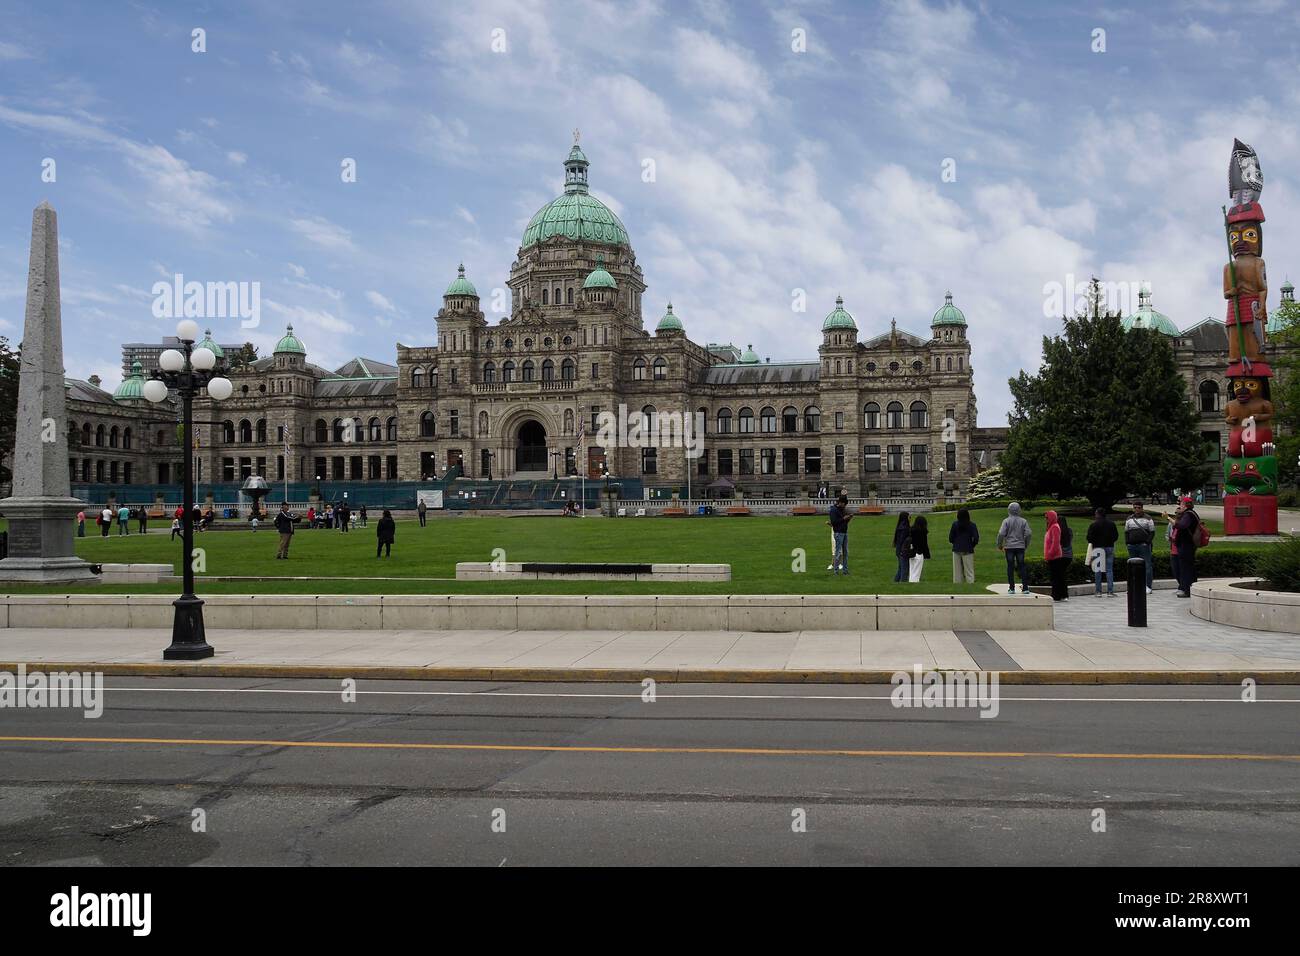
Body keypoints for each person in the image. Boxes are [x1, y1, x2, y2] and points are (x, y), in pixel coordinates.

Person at [996, 502, 1032, 594]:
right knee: (1022, 566)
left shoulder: (1006, 521)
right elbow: (1028, 533)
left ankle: (1011, 588)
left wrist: (999, 545)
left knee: (1010, 566)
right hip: (1020, 546)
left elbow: (1001, 533)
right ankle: (1025, 588)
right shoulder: (1023, 521)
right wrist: (1026, 544)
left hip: (1009, 547)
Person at [1173, 496, 1202, 598]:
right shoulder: (1192, 514)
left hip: (1186, 544)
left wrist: (1171, 520)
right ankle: (1193, 587)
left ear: (1185, 505)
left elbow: (1182, 526)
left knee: (1185, 568)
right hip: (1189, 544)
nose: (1179, 505)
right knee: (1190, 567)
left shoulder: (1188, 514)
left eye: (1181, 503)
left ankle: (1186, 589)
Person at [1124, 501, 1156, 595]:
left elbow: (1152, 532)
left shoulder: (1148, 518)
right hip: (1132, 545)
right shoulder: (1129, 518)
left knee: (1147, 566)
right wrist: (1128, 542)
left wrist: (1147, 542)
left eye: (1138, 507)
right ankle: (1133, 586)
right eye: (1135, 507)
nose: (1137, 509)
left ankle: (1148, 586)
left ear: (1142, 508)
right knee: (1132, 566)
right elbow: (1126, 531)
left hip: (1144, 545)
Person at [1086, 508, 1118, 597]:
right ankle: (1110, 591)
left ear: (1098, 514)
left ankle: (1098, 591)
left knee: (1098, 570)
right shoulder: (1111, 524)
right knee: (1109, 570)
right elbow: (1115, 536)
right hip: (1109, 547)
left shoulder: (1093, 525)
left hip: (1097, 548)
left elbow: (1089, 538)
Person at [1044, 509, 1069, 601]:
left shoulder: (1054, 527)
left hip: (1054, 556)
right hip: (1052, 556)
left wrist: (1050, 554)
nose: (1046, 520)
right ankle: (1060, 594)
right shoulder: (1052, 527)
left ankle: (1058, 595)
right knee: (1057, 576)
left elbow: (1055, 542)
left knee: (1056, 577)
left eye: (1047, 518)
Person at [949, 508, 979, 583]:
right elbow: (976, 538)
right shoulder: (972, 525)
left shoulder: (955, 524)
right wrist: (972, 545)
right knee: (969, 571)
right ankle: (971, 586)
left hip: (957, 549)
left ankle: (958, 588)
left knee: (957, 573)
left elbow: (950, 538)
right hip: (968, 549)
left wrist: (955, 543)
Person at [828, 494, 851, 575]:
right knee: (838, 552)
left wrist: (848, 519)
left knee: (846, 552)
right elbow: (834, 522)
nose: (844, 506)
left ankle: (845, 570)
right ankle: (836, 571)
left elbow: (844, 522)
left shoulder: (842, 510)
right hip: (838, 533)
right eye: (844, 504)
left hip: (844, 532)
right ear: (840, 502)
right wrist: (843, 519)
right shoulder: (833, 510)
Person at [908, 515, 930, 582]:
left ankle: (910, 582)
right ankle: (914, 584)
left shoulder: (911, 530)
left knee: (912, 570)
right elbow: (924, 544)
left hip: (911, 552)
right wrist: (927, 555)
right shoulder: (923, 532)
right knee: (917, 572)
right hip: (919, 553)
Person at [892, 512, 912, 582]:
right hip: (902, 550)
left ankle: (896, 581)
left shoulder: (900, 526)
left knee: (901, 567)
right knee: (904, 568)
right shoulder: (905, 528)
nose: (910, 519)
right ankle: (903, 582)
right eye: (909, 517)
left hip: (899, 550)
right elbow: (902, 541)